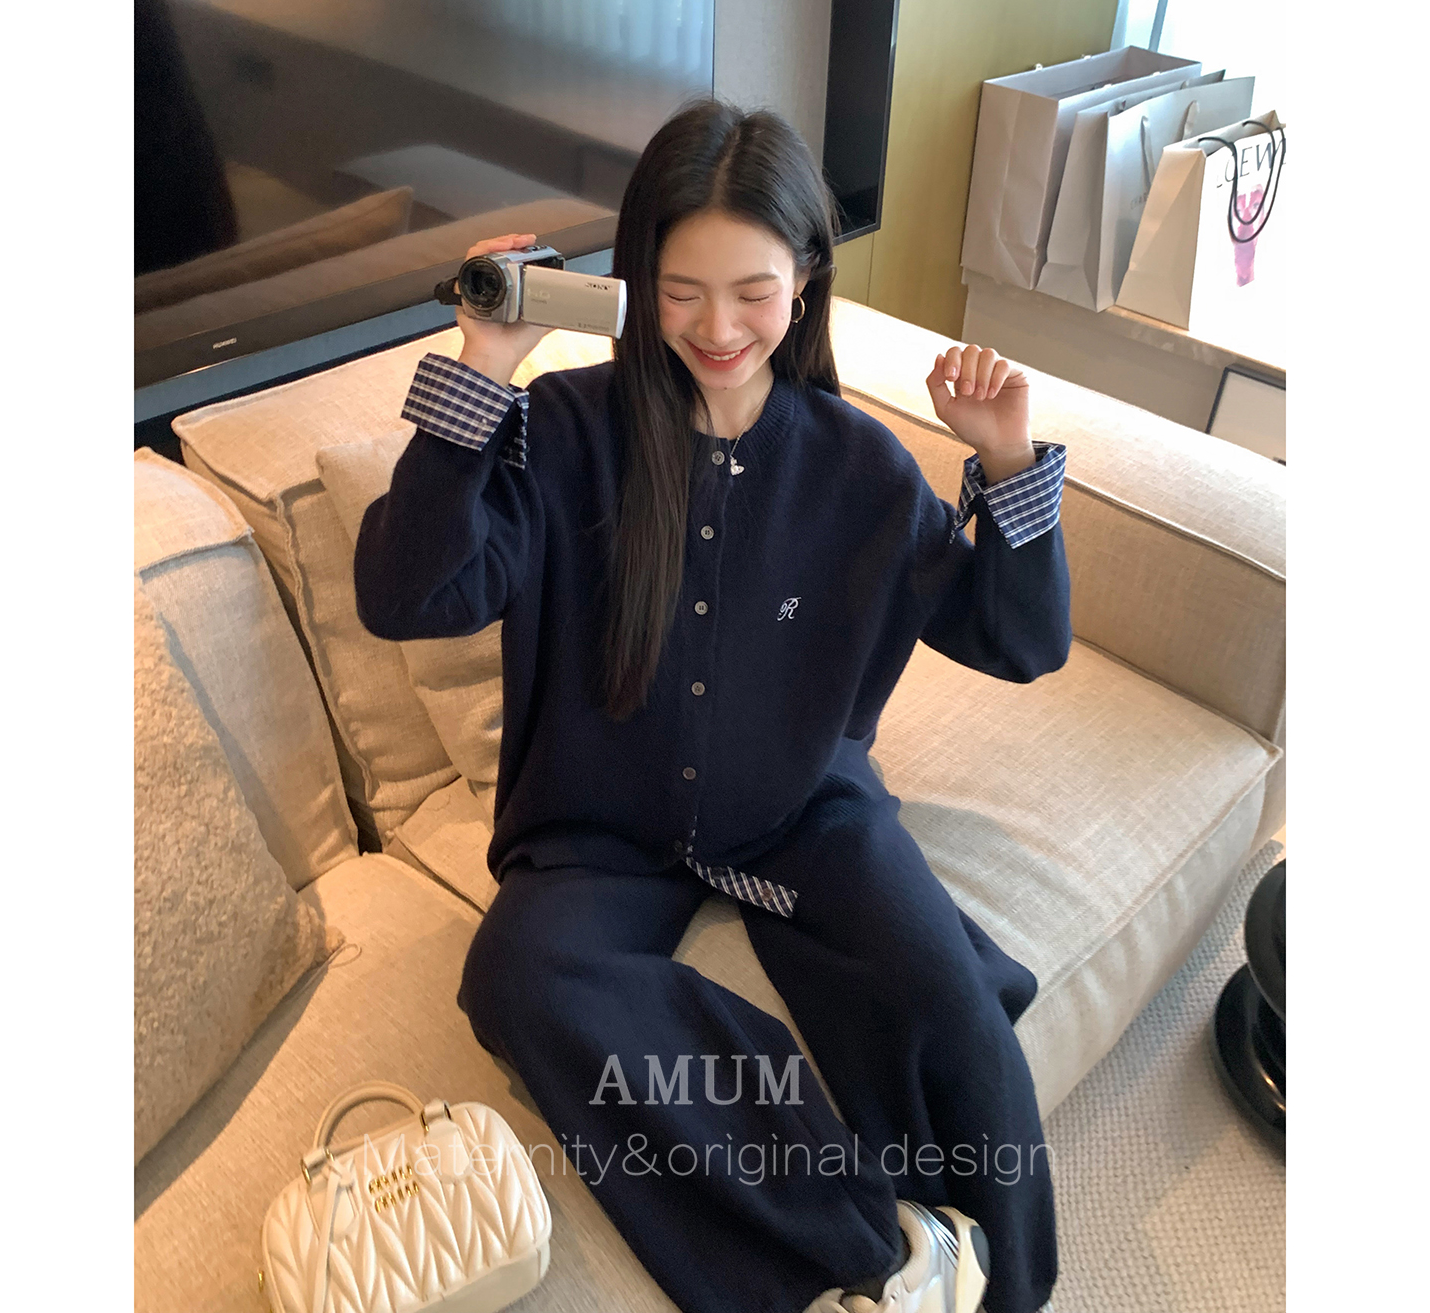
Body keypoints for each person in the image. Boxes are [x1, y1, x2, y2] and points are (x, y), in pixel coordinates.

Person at [352, 98, 1070, 1313]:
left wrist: (1005, 459)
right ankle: (882, 1255)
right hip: (600, 832)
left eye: (754, 291)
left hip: (804, 813)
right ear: (636, 281)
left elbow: (1020, 643)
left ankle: (1003, 1292)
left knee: (948, 1005)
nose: (719, 327)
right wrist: (483, 367)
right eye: (681, 291)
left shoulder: (858, 466)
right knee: (520, 975)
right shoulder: (559, 433)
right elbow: (406, 594)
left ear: (807, 280)